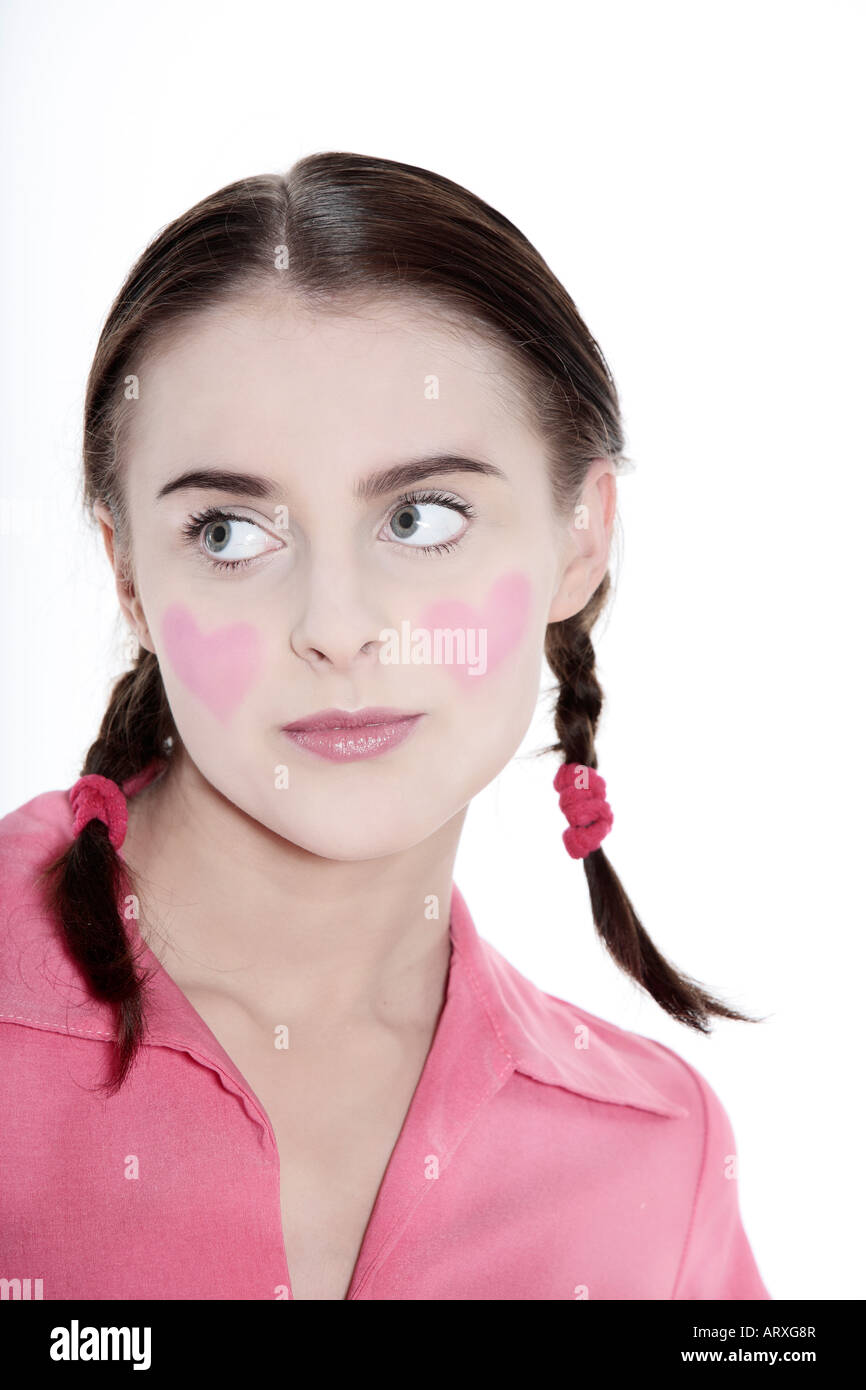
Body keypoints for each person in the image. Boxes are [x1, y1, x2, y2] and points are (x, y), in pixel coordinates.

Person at [0, 152, 770, 1301]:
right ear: (129, 581)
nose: (336, 627)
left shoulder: (651, 1159)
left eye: (420, 516)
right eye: (226, 533)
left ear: (579, 534)